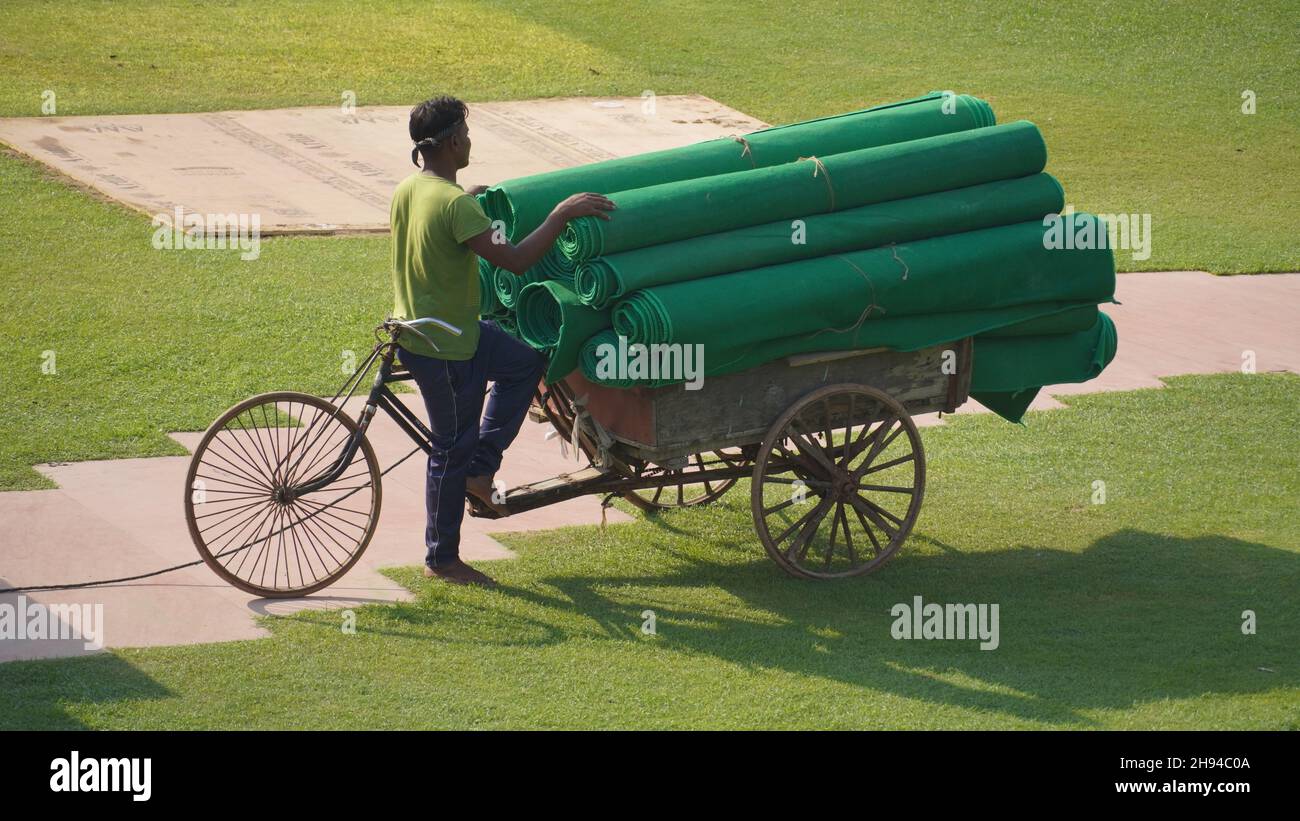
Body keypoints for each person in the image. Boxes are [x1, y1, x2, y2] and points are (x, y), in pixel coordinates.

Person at [390, 95, 615, 588]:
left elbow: (445, 224)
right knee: (450, 447)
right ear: (451, 142)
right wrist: (561, 214)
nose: (470, 141)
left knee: (523, 362)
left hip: (422, 329)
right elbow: (515, 262)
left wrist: (468, 201)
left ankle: (482, 469)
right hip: (446, 347)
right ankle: (442, 559)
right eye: (466, 135)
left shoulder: (414, 188)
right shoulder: (455, 205)